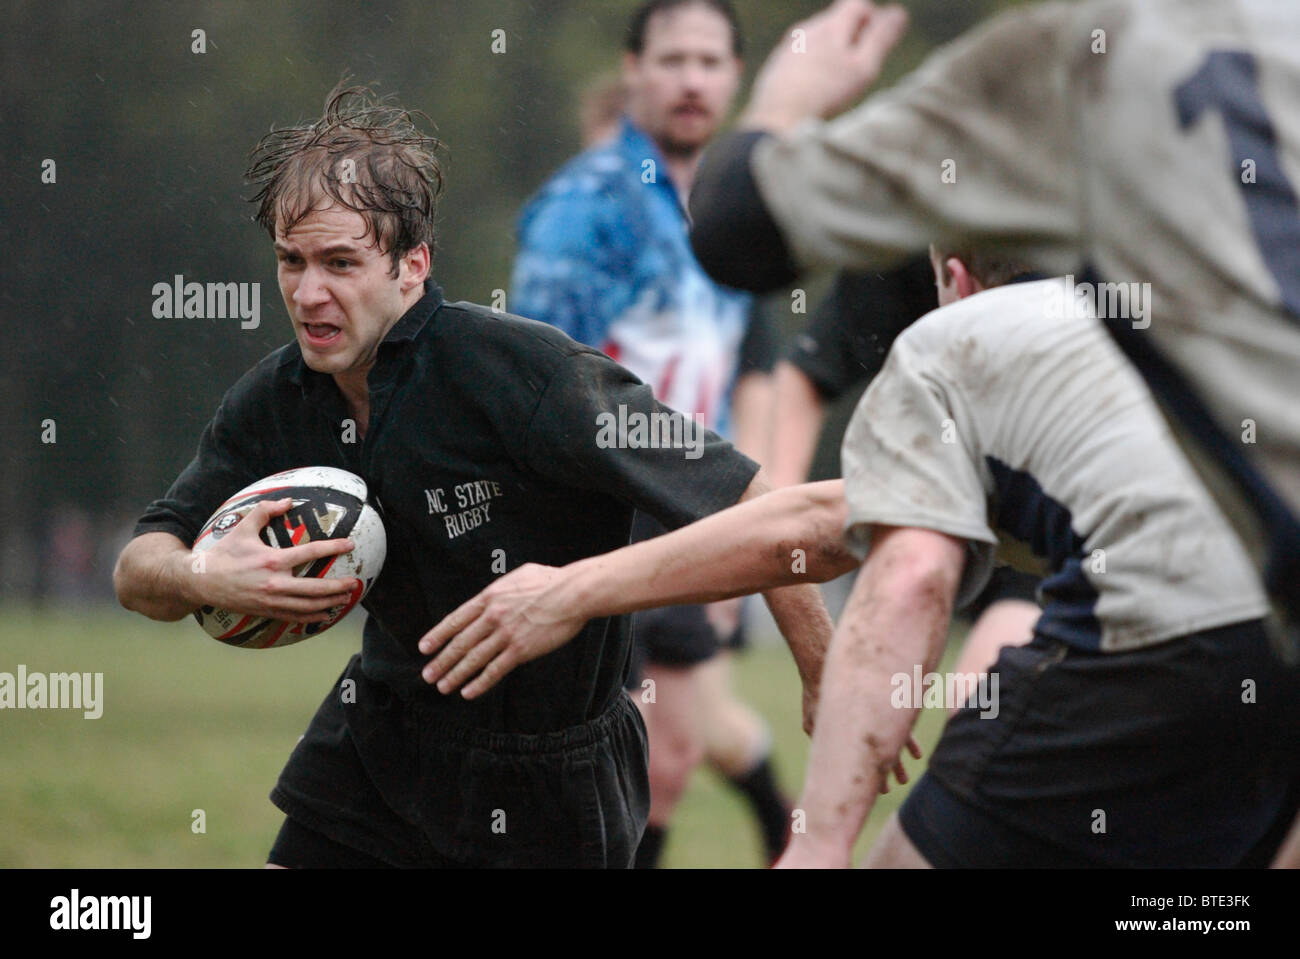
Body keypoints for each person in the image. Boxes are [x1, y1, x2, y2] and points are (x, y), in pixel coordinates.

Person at [111, 84, 832, 869]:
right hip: (381, 744)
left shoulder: (529, 375)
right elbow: (138, 565)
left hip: (553, 778)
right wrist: (203, 572)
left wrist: (826, 673)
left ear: (412, 264)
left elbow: (761, 506)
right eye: (291, 260)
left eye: (341, 262)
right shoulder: (277, 399)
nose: (308, 292)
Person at [419, 251, 1300, 868]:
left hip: (1161, 642)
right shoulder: (1201, 316)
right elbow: (828, 513)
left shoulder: (965, 340)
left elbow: (896, 562)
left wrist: (822, 836)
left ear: (953, 280)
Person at [688, 0, 1300, 639]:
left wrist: (785, 104)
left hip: (1165, 579)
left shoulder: (1062, 71)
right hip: (1117, 565)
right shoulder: (922, 243)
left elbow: (737, 225)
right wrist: (778, 519)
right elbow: (808, 374)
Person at [510, 0, 794, 866]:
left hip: (689, 512)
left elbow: (752, 367)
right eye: (672, 60)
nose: (692, 80)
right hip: (599, 518)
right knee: (604, 777)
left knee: (668, 759)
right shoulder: (586, 207)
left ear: (736, 77)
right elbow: (535, 385)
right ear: (633, 67)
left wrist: (741, 511)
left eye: (711, 62)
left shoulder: (724, 211)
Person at [771, 259, 1041, 683]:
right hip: (952, 516)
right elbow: (806, 370)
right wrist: (780, 522)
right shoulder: (903, 258)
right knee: (874, 680)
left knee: (984, 691)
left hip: (1075, 539)